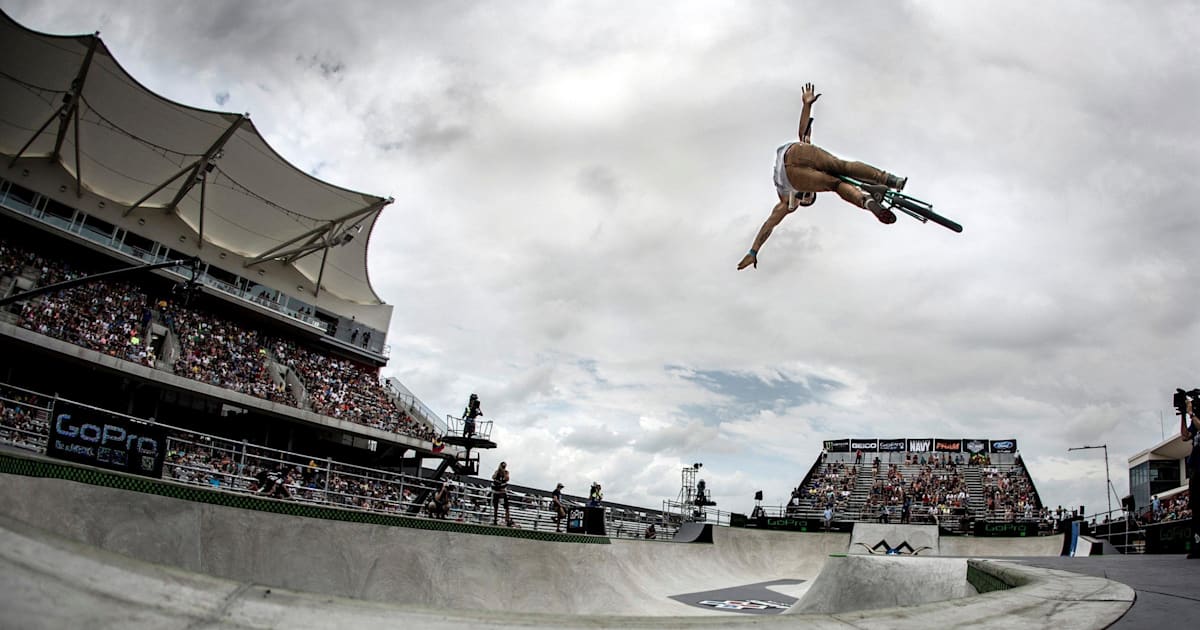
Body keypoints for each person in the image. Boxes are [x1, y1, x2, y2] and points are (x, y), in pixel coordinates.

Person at [738, 83, 907, 271]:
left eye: (807, 196)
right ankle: (880, 186)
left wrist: (806, 105)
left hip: (795, 155)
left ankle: (869, 197)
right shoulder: (787, 203)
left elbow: (769, 225)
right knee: (841, 170)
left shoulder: (787, 203)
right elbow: (768, 226)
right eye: (809, 195)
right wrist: (753, 251)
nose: (807, 195)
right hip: (795, 156)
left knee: (837, 179)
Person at [1181, 398, 1200, 558]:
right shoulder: (1195, 421)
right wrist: (1183, 415)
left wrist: (1190, 413)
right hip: (1196, 469)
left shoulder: (1196, 418)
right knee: (1196, 508)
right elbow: (1185, 436)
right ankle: (1196, 546)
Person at [491, 461, 513, 526]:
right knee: (495, 507)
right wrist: (498, 471)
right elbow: (493, 477)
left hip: (502, 493)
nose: (503, 467)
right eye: (502, 466)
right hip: (496, 492)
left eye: (504, 466)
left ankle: (507, 520)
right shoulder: (497, 472)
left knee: (506, 507)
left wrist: (503, 472)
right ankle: (495, 520)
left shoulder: (506, 472)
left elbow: (507, 478)